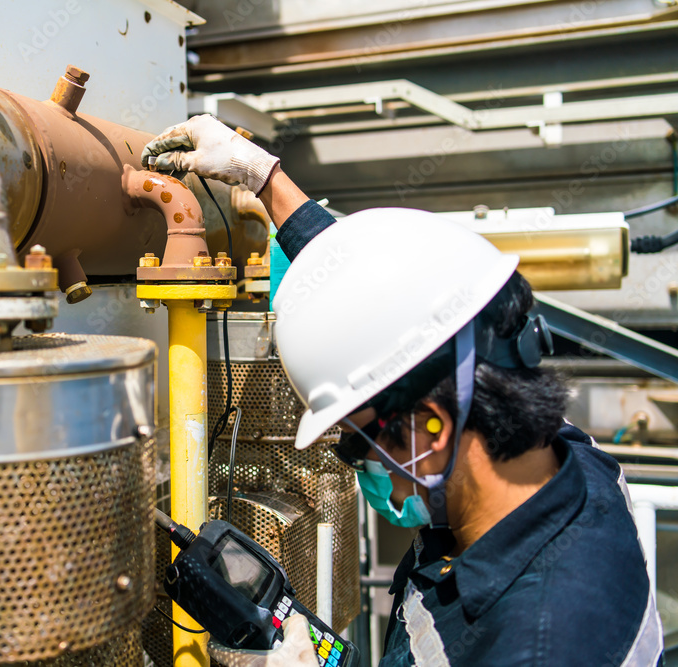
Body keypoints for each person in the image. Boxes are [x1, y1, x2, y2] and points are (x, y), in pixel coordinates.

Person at [142, 115, 664, 667]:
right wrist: (263, 178)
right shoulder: (558, 458)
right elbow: (401, 307)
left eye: (350, 444)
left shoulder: (533, 645)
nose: (354, 464)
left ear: (429, 430)